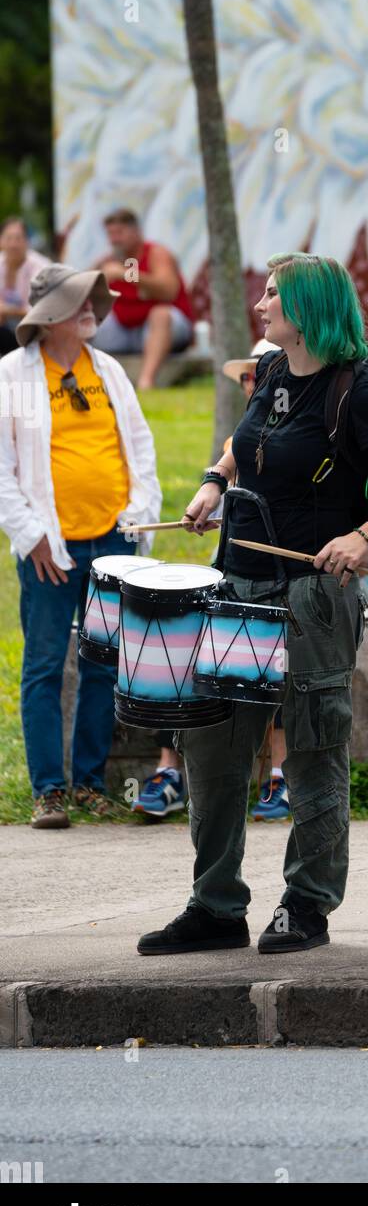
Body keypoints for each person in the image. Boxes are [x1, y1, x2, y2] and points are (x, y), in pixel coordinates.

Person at [137, 253, 368, 957]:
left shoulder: (362, 392)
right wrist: (213, 484)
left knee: (312, 750)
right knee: (213, 748)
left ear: (309, 307)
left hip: (312, 595)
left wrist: (365, 534)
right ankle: (217, 905)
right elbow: (241, 445)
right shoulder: (274, 371)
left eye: (275, 295)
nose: (262, 304)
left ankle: (308, 904)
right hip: (239, 586)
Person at [0, 265, 161, 828]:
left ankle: (90, 783)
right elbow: (5, 467)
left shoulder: (108, 369)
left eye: (94, 299)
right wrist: (30, 534)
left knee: (102, 664)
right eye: (79, 302)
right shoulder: (17, 377)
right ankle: (49, 790)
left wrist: (139, 515)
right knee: (44, 665)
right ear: (49, 318)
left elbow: (139, 447)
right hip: (50, 547)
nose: (93, 308)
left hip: (113, 540)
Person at [130, 342, 291, 822]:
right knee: (175, 647)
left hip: (281, 579)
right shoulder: (237, 442)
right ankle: (170, 770)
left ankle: (280, 778)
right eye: (247, 378)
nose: (251, 386)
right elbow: (218, 500)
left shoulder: (297, 433)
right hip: (230, 570)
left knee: (276, 663)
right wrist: (206, 506)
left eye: (259, 377)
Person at [92, 208, 194, 389]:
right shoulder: (107, 261)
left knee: (160, 314)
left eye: (120, 233)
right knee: (85, 319)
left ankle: (146, 382)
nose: (114, 239)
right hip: (124, 331)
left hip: (167, 329)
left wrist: (126, 274)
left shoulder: (156, 253)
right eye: (110, 234)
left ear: (136, 231)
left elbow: (168, 291)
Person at [0, 218, 50, 356]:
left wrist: (6, 311)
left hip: (36, 333)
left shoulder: (41, 267)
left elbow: (40, 311)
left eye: (18, 238)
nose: (13, 244)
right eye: (8, 238)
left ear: (27, 241)